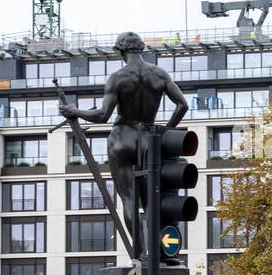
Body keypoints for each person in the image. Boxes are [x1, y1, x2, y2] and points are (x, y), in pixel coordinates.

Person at [56, 31, 190, 244]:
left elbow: (102, 115)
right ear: (142, 48)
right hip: (148, 139)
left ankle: (140, 254)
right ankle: (160, 253)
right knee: (152, 201)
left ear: (120, 51)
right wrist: (163, 133)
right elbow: (183, 105)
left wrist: (74, 111)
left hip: (122, 139)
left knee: (129, 200)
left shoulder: (118, 77)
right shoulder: (160, 75)